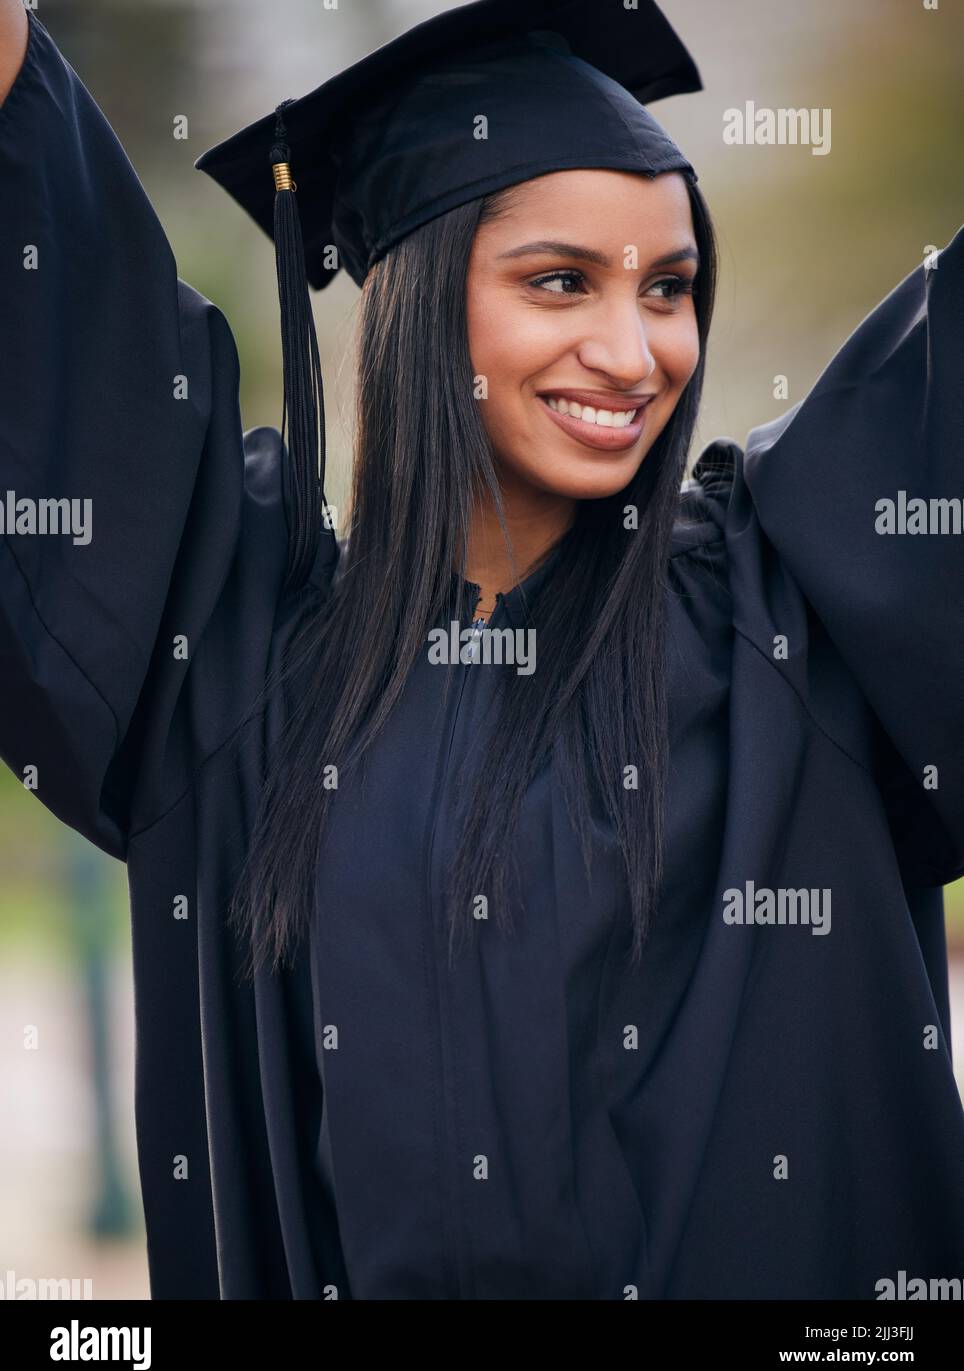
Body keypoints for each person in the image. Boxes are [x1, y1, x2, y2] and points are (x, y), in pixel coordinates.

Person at [1, 0, 962, 1301]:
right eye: (560, 280)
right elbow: (70, 345)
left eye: (670, 288)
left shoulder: (799, 620)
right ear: (415, 305)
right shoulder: (237, 672)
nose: (634, 353)